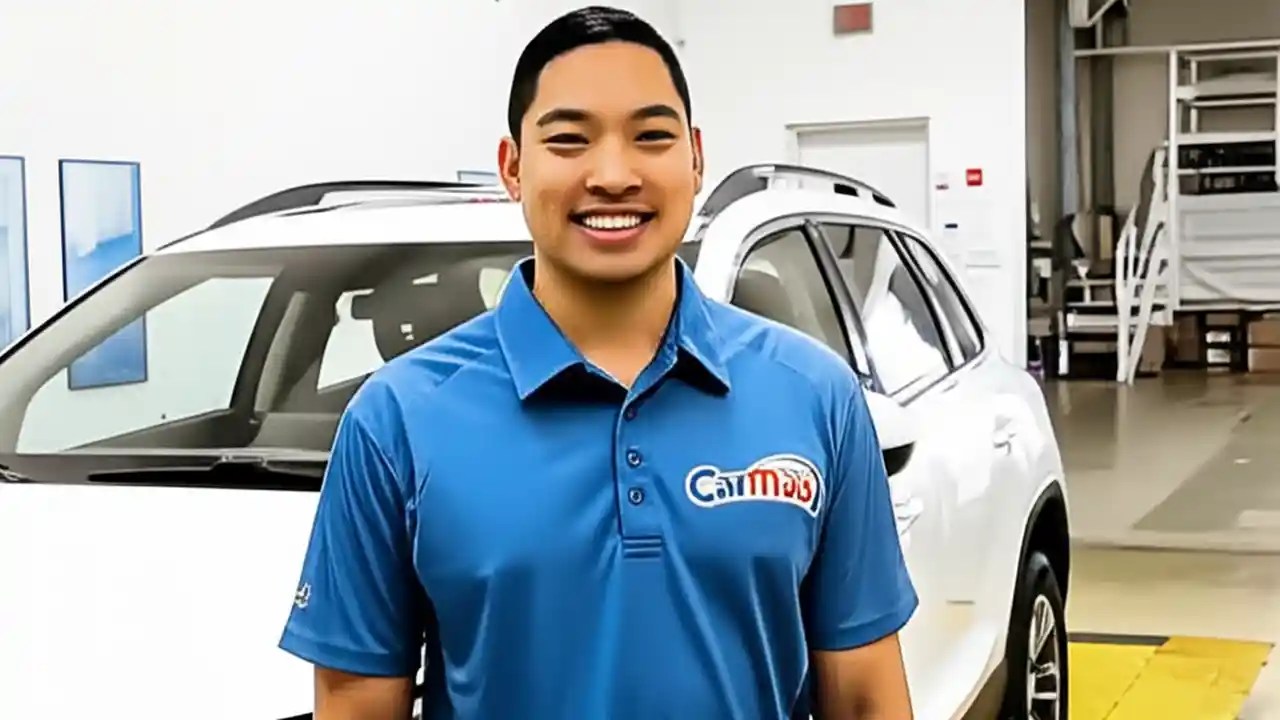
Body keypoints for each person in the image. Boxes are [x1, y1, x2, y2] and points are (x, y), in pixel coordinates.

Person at [278, 5, 918, 719]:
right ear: (512, 168)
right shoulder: (397, 420)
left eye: (650, 136)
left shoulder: (814, 396)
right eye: (569, 140)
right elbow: (358, 705)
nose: (613, 175)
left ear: (696, 158)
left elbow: (866, 697)